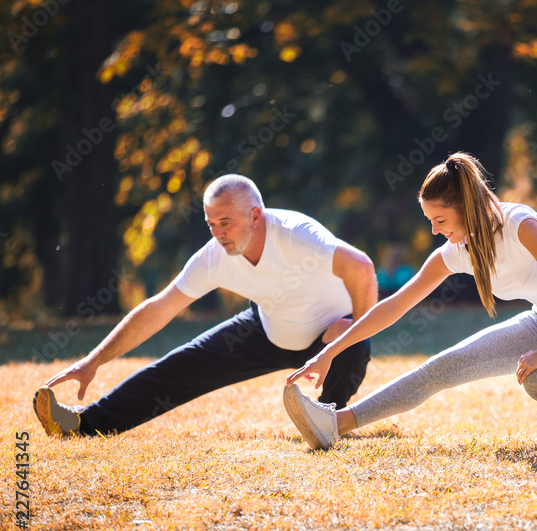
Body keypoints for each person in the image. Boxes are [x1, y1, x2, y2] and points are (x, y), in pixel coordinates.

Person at [283, 152, 537, 449]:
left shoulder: (519, 223)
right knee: (443, 366)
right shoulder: (457, 252)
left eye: (440, 221)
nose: (433, 231)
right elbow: (395, 305)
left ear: (467, 209)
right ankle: (335, 424)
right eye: (430, 221)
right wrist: (328, 353)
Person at [33, 174, 377, 437]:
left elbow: (361, 267)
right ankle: (82, 424)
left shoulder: (297, 235)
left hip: (331, 335)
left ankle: (327, 422)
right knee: (176, 368)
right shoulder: (214, 256)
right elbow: (158, 309)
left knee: (352, 348)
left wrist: (355, 328)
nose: (218, 233)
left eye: (225, 222)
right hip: (267, 331)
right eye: (211, 223)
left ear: (255, 216)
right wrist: (94, 361)